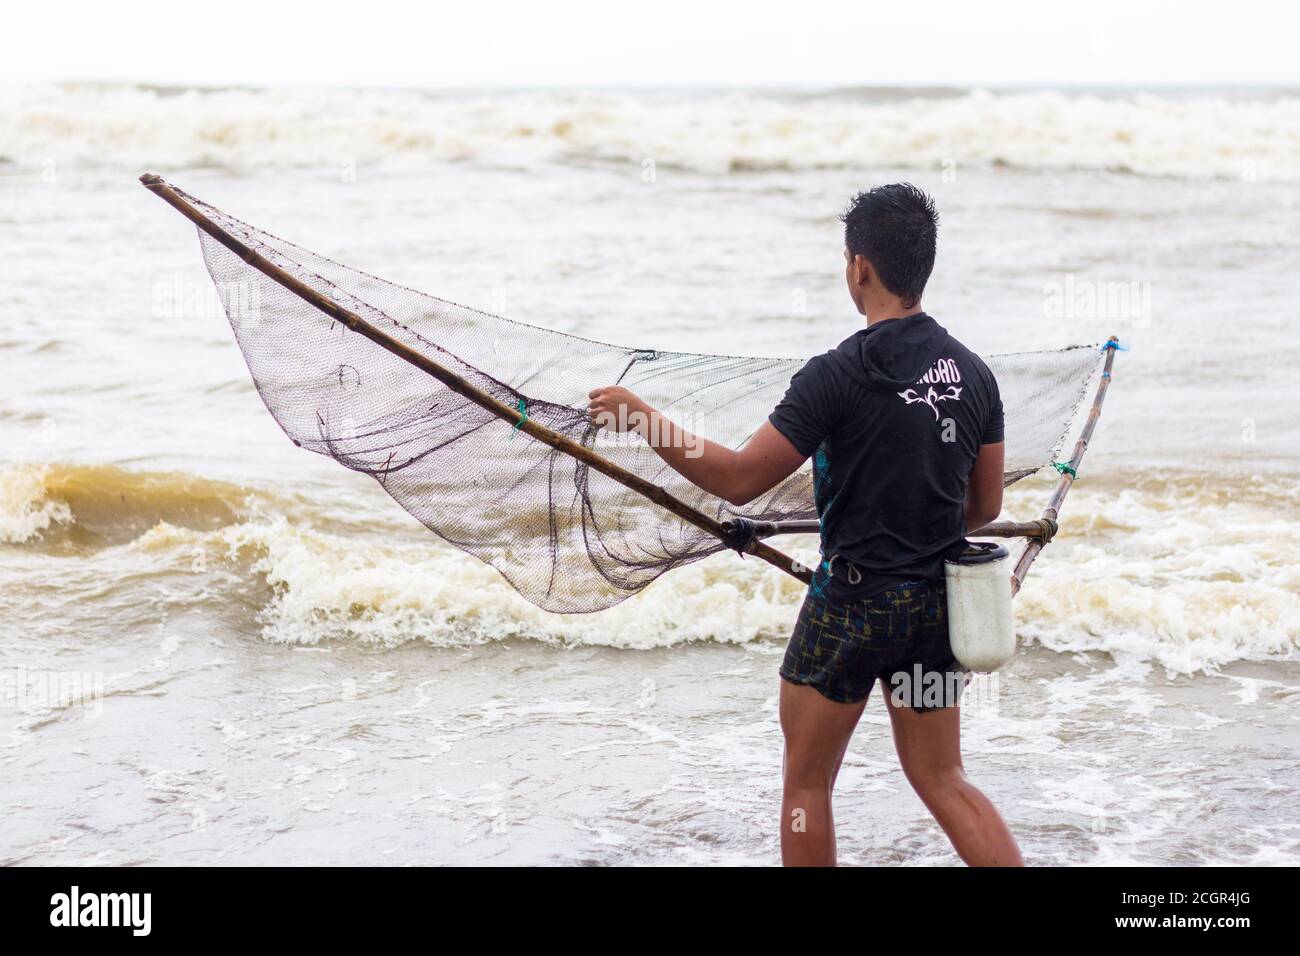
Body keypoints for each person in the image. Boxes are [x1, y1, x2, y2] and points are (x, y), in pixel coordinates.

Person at [588, 183, 1022, 867]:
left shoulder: (834, 376)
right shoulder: (974, 375)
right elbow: (984, 507)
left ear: (860, 268)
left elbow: (739, 479)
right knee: (943, 778)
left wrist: (641, 415)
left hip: (849, 609)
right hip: (937, 612)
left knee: (808, 782)